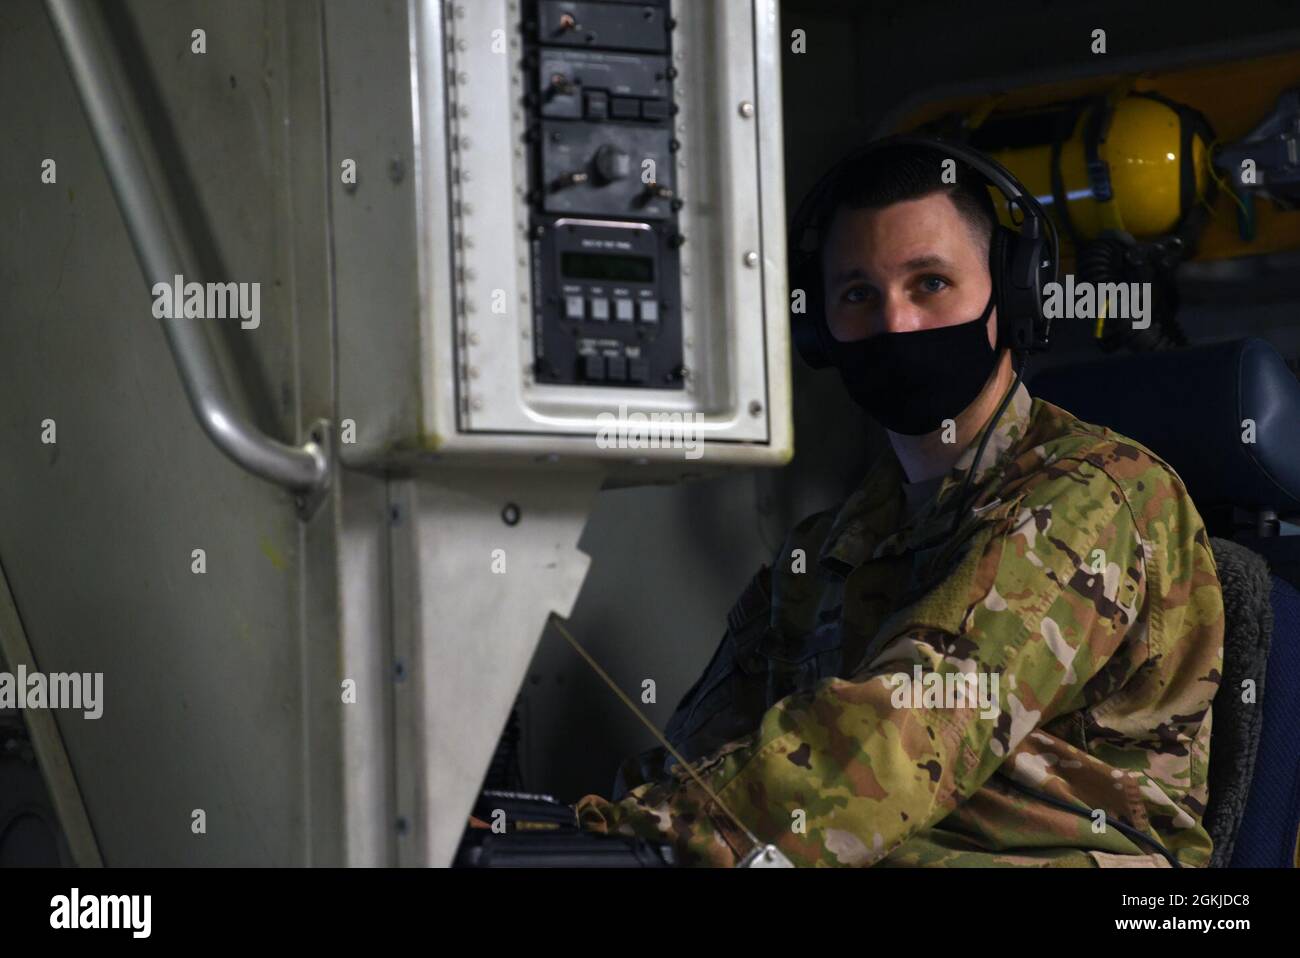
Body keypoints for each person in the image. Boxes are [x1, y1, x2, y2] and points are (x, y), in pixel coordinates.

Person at [573, 141, 1226, 867]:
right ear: (819, 327)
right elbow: (695, 756)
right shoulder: (827, 550)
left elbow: (905, 734)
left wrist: (657, 845)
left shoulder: (1095, 494)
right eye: (858, 294)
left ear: (1008, 297)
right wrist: (585, 839)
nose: (897, 324)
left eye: (930, 283)